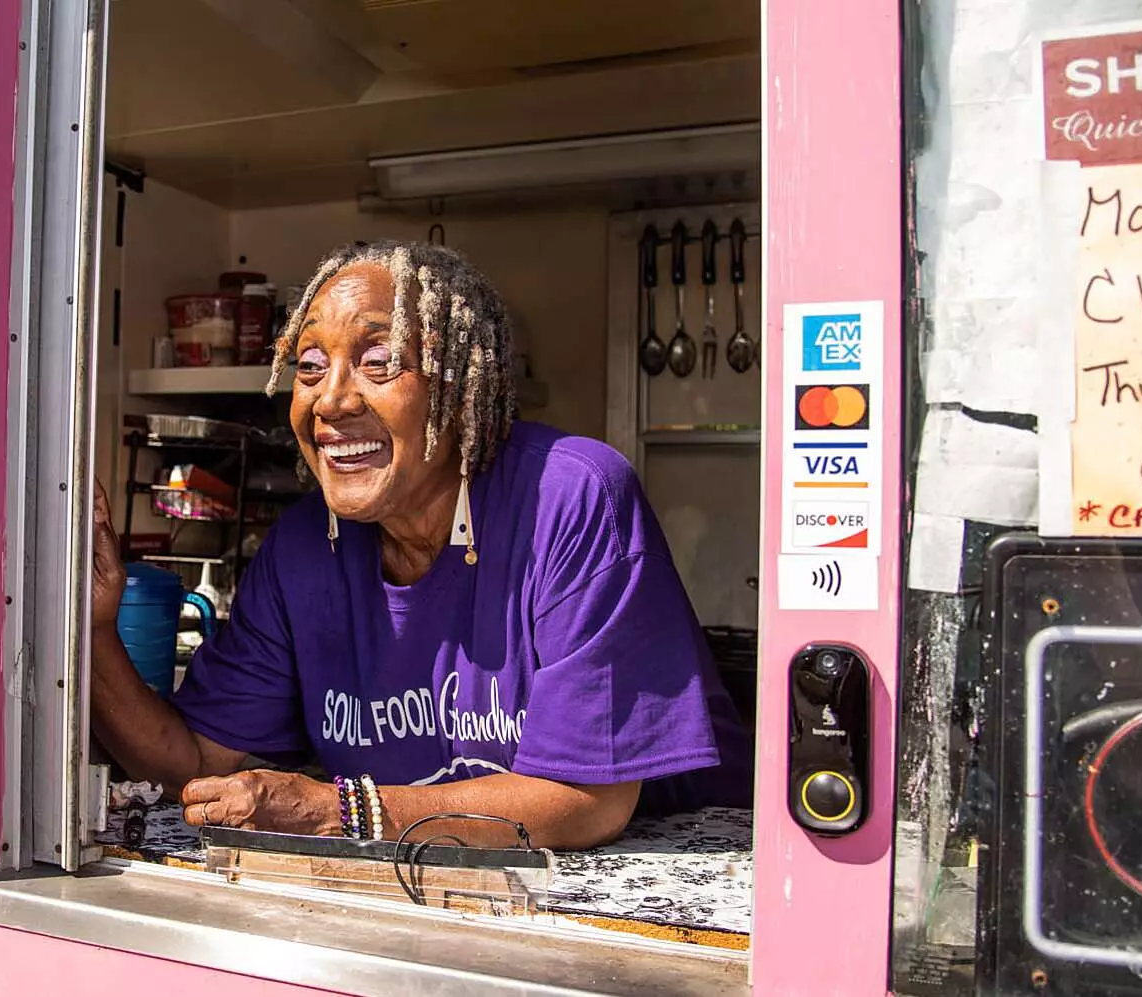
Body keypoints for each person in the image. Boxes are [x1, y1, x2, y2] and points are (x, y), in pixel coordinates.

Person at [90, 240, 751, 850]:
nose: (331, 399)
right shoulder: (301, 552)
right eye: (310, 365)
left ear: (458, 387)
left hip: (673, 891)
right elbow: (194, 763)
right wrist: (93, 631)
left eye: (379, 360)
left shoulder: (571, 497)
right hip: (442, 888)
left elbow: (586, 800)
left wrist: (341, 810)